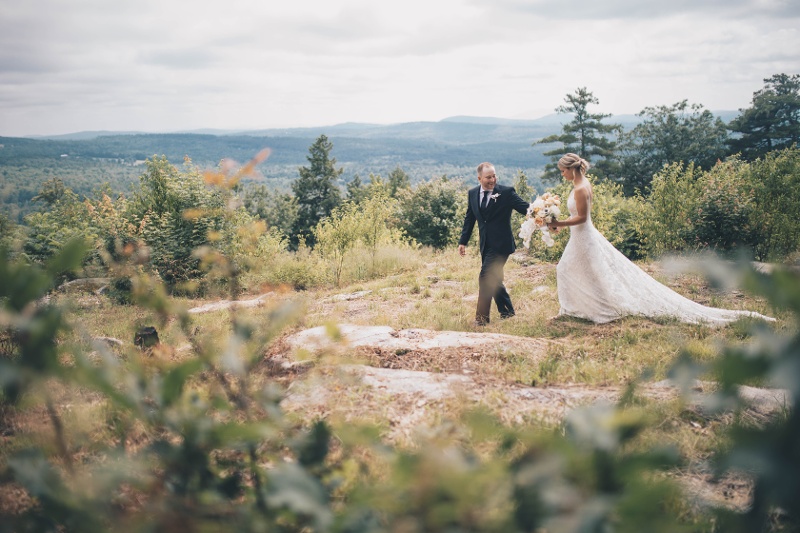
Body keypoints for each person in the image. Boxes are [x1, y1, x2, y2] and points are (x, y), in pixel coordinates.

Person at [547, 153, 774, 326]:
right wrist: (559, 222)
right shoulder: (581, 184)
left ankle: (575, 310)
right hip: (581, 237)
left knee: (565, 269)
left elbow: (582, 218)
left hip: (583, 236)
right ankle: (580, 307)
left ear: (570, 168)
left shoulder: (580, 188)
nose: (561, 175)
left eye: (562, 171)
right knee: (584, 271)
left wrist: (558, 223)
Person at [459, 162, 530, 326]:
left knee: (485, 277)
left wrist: (545, 215)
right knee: (494, 278)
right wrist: (463, 241)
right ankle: (508, 312)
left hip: (502, 244)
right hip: (486, 244)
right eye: (488, 177)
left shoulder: (506, 192)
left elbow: (526, 208)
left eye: (494, 176)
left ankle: (481, 320)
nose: (492, 180)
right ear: (479, 178)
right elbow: (470, 219)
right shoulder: (472, 193)